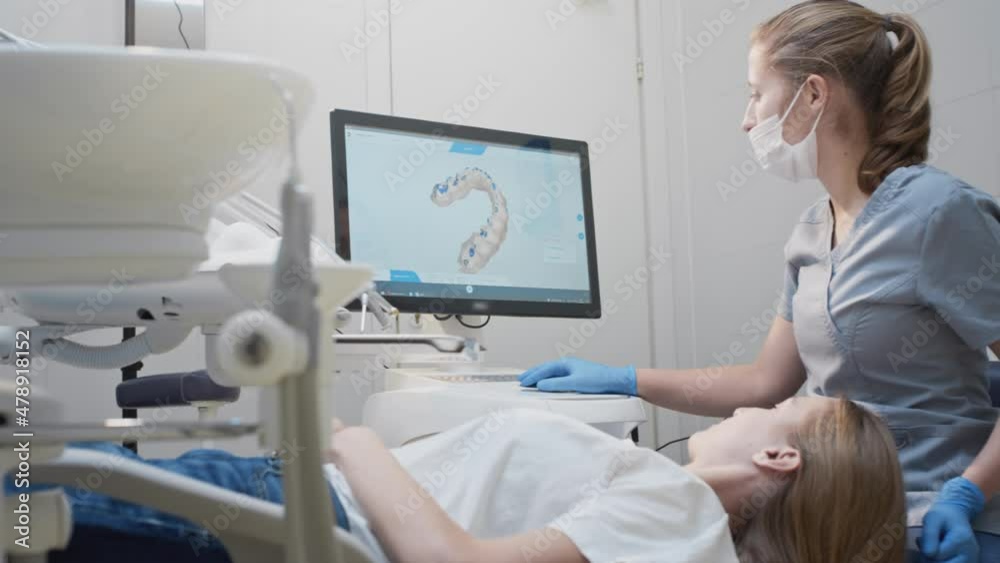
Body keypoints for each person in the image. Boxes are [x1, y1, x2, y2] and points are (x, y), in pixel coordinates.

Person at [520, 2, 1000, 562]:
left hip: (940, 520)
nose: (748, 119)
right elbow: (763, 383)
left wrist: (968, 494)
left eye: (756, 93)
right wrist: (627, 379)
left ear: (814, 95)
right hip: (835, 519)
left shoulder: (939, 214)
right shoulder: (811, 233)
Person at [31, 398, 901, 563]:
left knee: (34, 510)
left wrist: (354, 441)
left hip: (302, 513)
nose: (759, 404)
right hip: (292, 502)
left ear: (779, 457)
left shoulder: (679, 513)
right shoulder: (678, 515)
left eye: (780, 406)